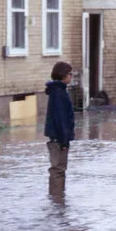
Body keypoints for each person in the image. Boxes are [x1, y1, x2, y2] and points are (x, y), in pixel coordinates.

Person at [44, 61, 75, 196]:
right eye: (70, 74)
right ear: (63, 75)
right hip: (58, 139)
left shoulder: (59, 91)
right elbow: (60, 119)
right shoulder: (58, 93)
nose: (71, 77)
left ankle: (58, 199)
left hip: (58, 138)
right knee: (58, 170)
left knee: (59, 169)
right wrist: (63, 141)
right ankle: (57, 200)